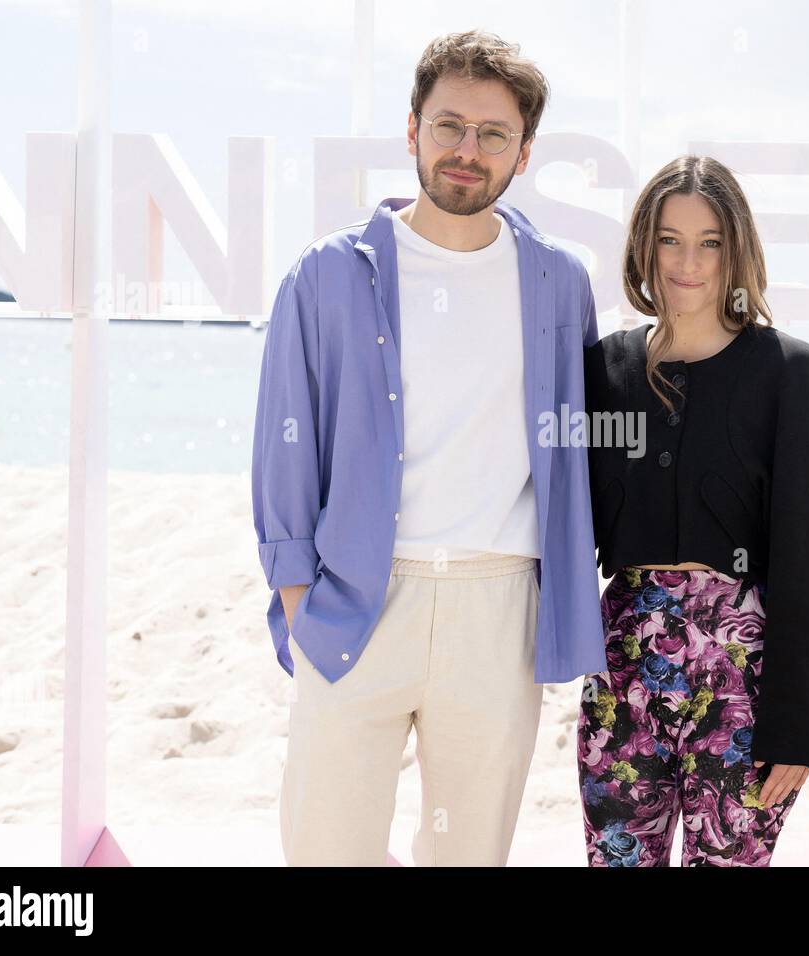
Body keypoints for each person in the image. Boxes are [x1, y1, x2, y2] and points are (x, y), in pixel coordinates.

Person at [251, 30, 606, 867]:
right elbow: (282, 447)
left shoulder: (559, 280)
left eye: (493, 134)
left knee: (469, 855)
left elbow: (579, 448)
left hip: (498, 608)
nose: (466, 151)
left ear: (524, 154)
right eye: (449, 125)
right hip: (356, 601)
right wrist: (299, 596)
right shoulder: (327, 275)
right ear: (412, 129)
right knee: (325, 849)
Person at [578, 155, 809, 866]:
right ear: (643, 246)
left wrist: (804, 727)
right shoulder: (603, 373)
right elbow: (566, 521)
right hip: (623, 662)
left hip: (743, 676)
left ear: (738, 250)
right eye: (669, 239)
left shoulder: (790, 374)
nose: (686, 262)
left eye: (709, 242)